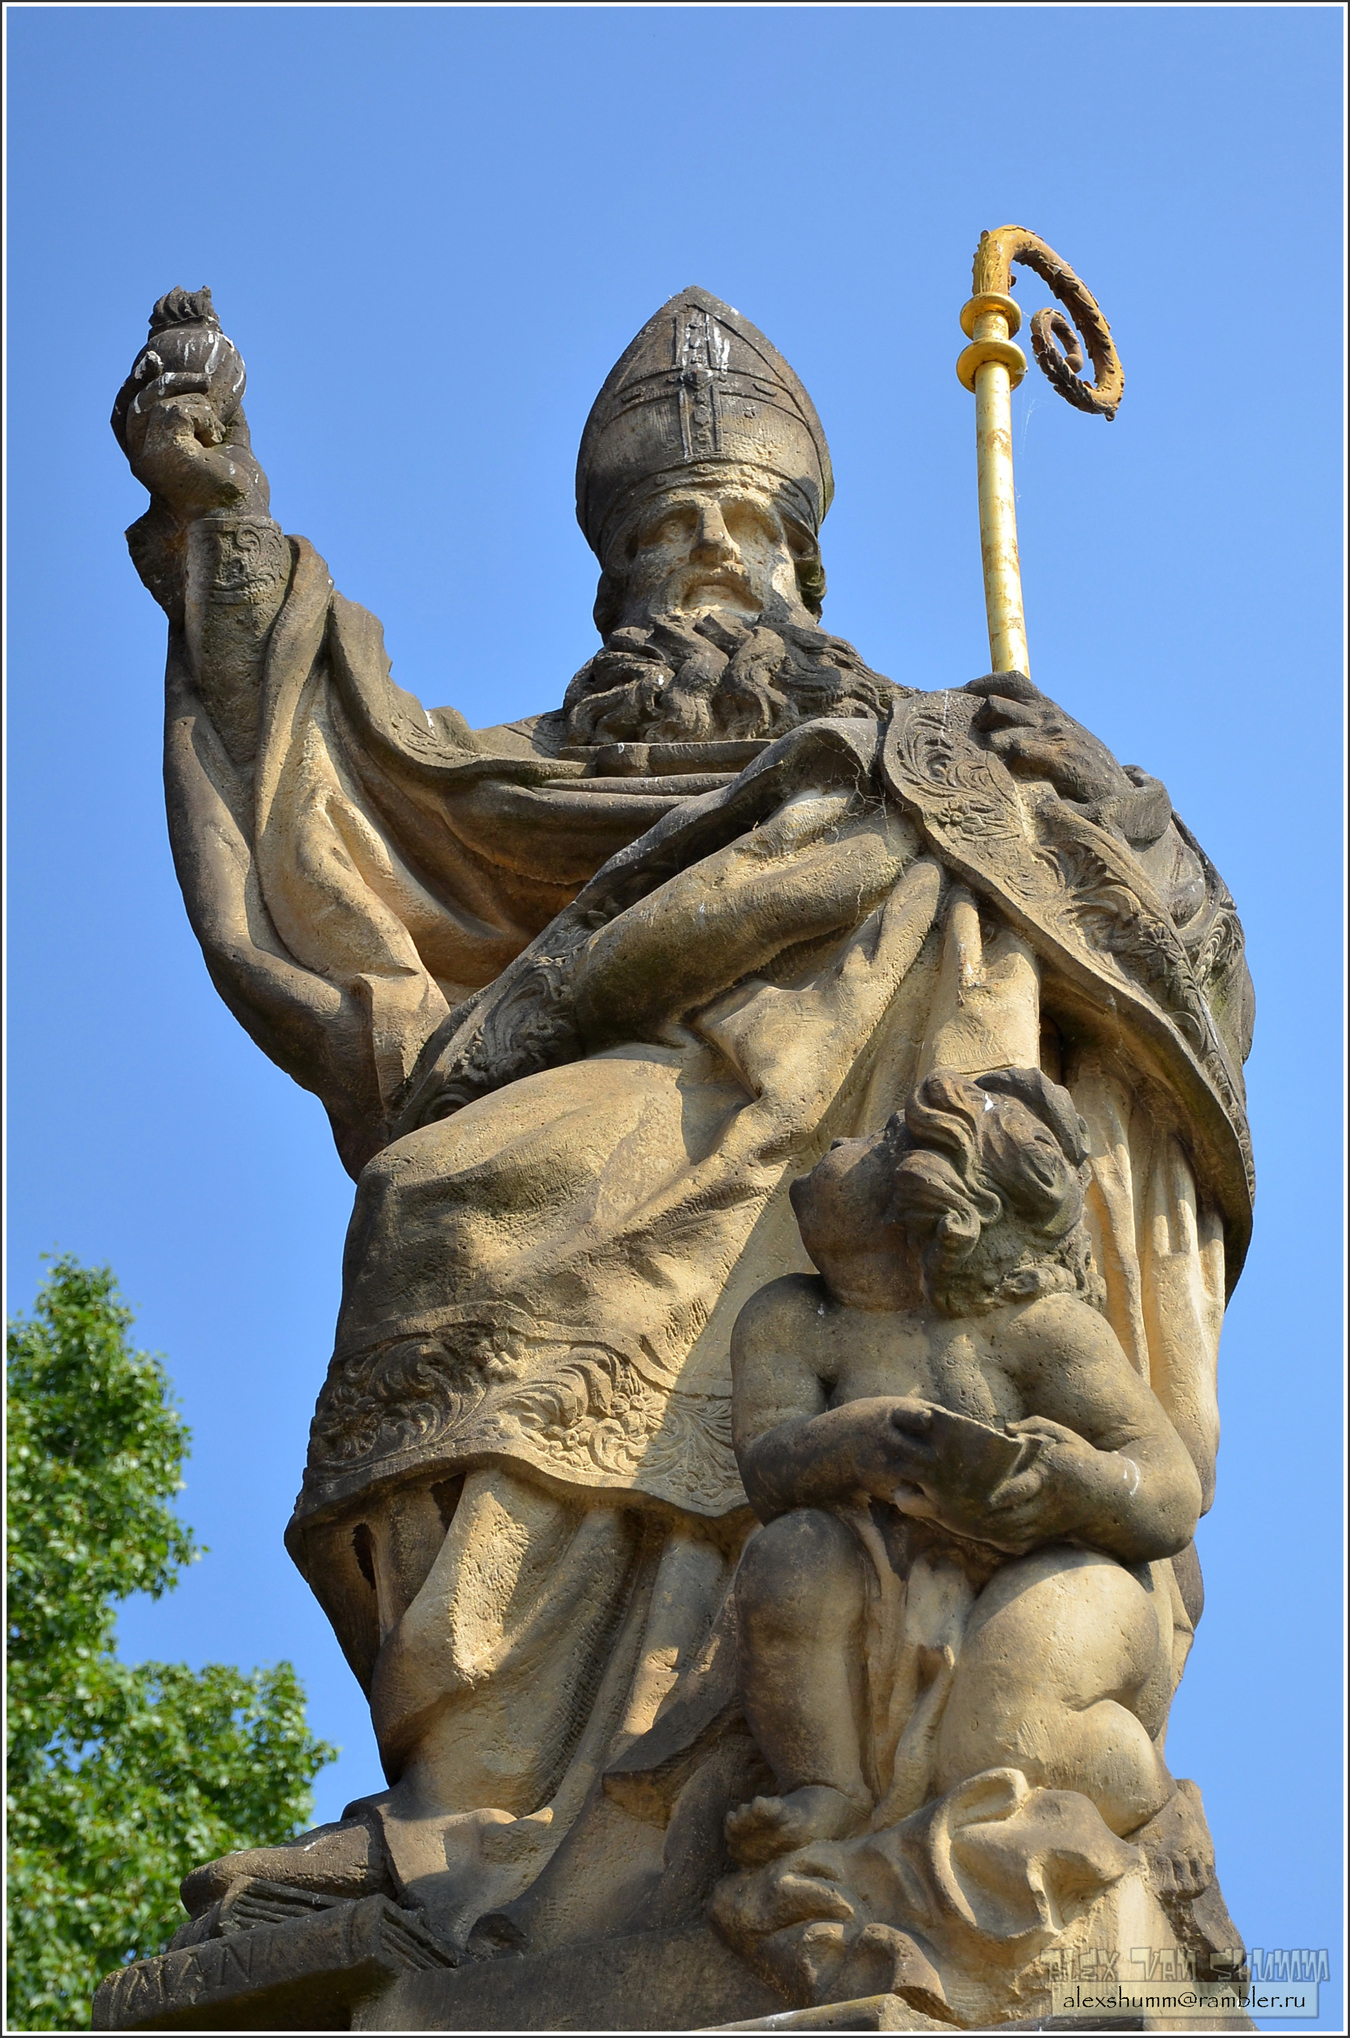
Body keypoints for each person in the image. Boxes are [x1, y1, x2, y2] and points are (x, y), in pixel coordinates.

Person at [111, 282, 1252, 1950]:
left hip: (881, 1143)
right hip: (629, 1082)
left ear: (805, 560)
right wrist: (215, 514)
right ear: (614, 576)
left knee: (586, 1166)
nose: (711, 553)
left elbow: (1186, 956)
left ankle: (831, 1787)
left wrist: (1101, 805)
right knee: (449, 1202)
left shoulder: (929, 751)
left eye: (740, 524)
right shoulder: (547, 778)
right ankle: (472, 1807)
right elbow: (361, 797)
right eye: (670, 533)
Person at [727, 1066, 1200, 1873]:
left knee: (1005, 1738)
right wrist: (858, 1439)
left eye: (881, 1141)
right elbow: (768, 1470)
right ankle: (828, 1788)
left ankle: (1157, 1810)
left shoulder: (1042, 1331)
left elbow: (1167, 1490)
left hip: (1063, 1569)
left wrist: (1065, 1484)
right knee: (789, 1557)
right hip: (888, 1566)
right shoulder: (793, 1321)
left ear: (935, 1198)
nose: (845, 1142)